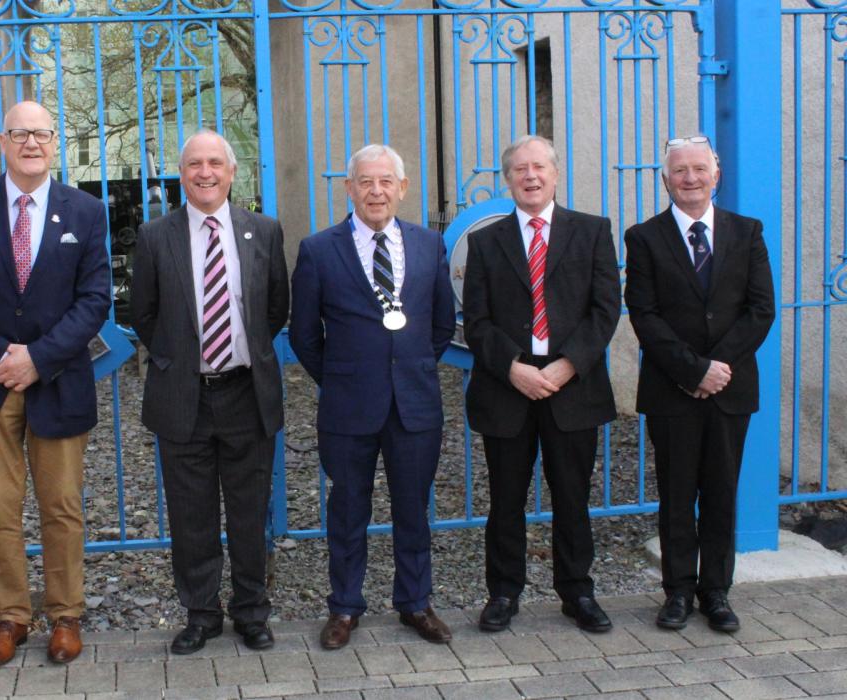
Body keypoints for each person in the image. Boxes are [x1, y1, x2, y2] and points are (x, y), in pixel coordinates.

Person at [0, 101, 110, 668]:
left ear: (55, 142)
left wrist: (39, 358)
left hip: (56, 378)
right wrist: (0, 357)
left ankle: (65, 617)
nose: (31, 142)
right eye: (20, 133)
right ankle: (11, 617)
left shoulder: (85, 210)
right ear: (2, 141)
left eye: (42, 133)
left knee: (60, 504)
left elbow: (95, 299)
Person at [289, 144, 456, 650]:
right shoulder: (319, 249)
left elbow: (443, 323)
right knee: (347, 511)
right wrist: (341, 377)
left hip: (415, 403)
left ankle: (415, 602)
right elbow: (303, 335)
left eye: (386, 181)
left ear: (402, 188)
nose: (376, 191)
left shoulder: (429, 244)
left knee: (413, 509)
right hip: (347, 405)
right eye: (365, 181)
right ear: (349, 189)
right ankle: (344, 606)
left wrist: (409, 368)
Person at [129, 129, 289, 654]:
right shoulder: (155, 236)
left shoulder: (263, 231)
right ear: (182, 174)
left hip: (247, 392)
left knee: (249, 509)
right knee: (191, 512)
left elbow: (274, 310)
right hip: (184, 396)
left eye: (215, 163)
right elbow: (143, 316)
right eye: (195, 164)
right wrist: (179, 359)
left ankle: (250, 611)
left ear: (232, 171)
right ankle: (201, 614)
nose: (205, 172)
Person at [463, 135, 621, 634]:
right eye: (520, 169)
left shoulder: (592, 231)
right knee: (505, 500)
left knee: (572, 497)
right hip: (508, 386)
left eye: (539, 168)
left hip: (572, 387)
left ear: (555, 174)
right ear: (507, 179)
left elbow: (605, 309)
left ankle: (577, 592)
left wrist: (567, 365)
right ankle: (504, 593)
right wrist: (513, 367)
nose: (530, 176)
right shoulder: (486, 242)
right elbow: (477, 320)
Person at [624, 135, 775, 633]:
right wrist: (692, 370)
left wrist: (717, 368)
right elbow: (644, 313)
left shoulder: (747, 232)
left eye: (699, 169)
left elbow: (760, 309)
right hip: (672, 390)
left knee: (720, 492)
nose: (690, 178)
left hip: (730, 389)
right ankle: (678, 592)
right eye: (680, 171)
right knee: (676, 492)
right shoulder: (643, 237)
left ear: (717, 175)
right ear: (666, 180)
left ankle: (716, 592)